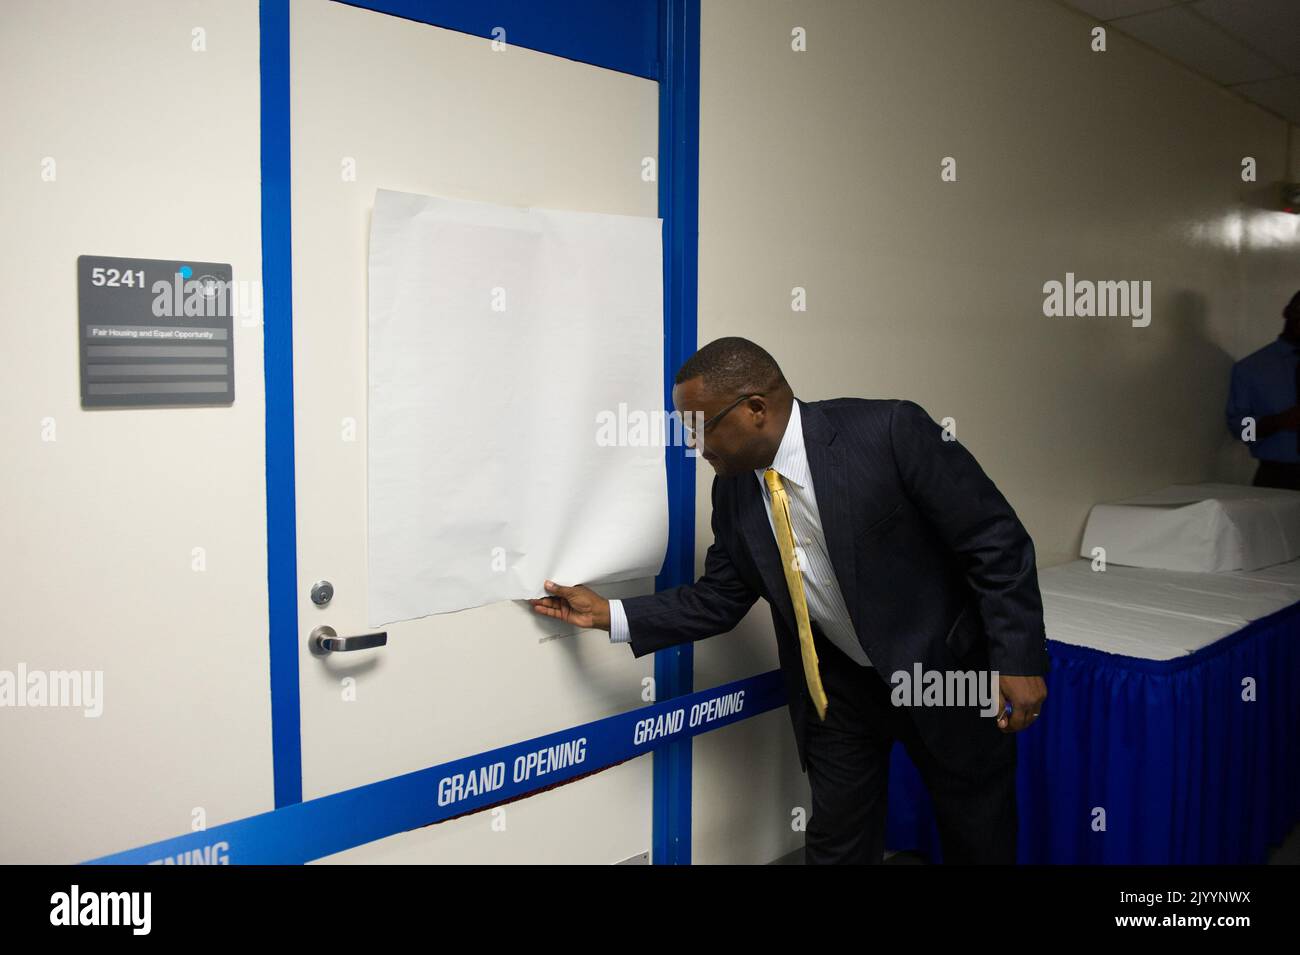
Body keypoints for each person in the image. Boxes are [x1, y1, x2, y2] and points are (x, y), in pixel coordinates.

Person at [530, 337, 1049, 864]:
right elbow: (720, 598)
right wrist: (609, 614)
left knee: (977, 831)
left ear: (756, 409)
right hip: (837, 688)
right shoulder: (732, 492)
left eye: (701, 426)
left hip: (941, 671)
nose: (695, 444)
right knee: (836, 842)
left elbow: (994, 541)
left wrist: (1018, 657)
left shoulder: (890, 431)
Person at [1225, 291, 1300, 490]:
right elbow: (1240, 431)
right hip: (1277, 478)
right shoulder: (1251, 368)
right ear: (1287, 311)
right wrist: (1278, 422)